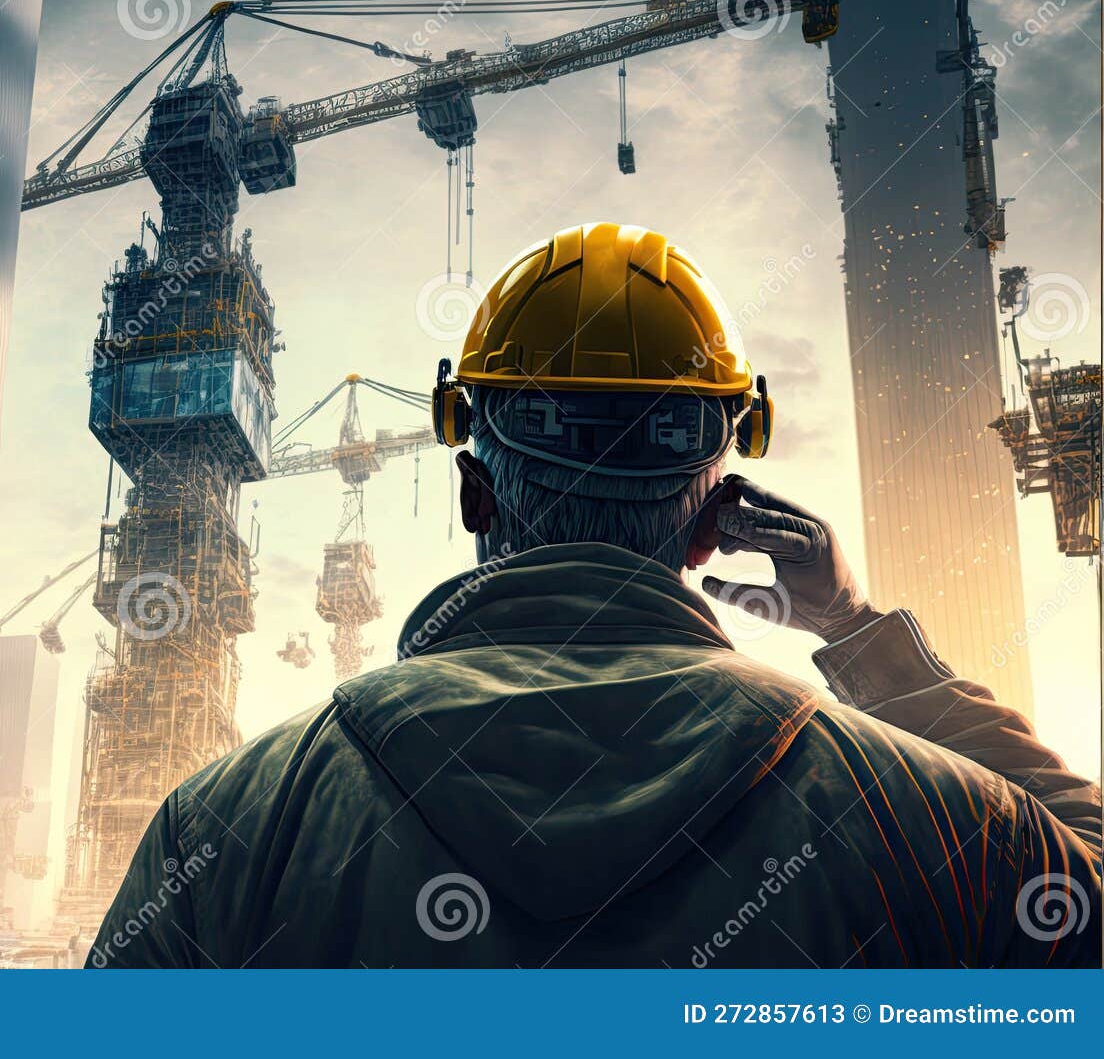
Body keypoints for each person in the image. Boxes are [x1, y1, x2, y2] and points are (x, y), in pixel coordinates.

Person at [88, 222, 1100, 968]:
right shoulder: (917, 813)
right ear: (718, 520)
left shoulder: (227, 825)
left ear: (473, 493)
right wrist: (856, 632)